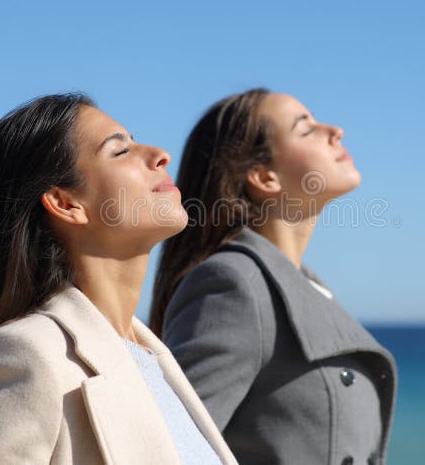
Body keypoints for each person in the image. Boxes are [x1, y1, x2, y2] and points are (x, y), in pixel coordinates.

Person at [0, 93, 237, 465]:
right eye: (119, 151)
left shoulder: (154, 359)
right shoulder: (25, 355)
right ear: (65, 203)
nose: (160, 155)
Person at [150, 88, 397, 465]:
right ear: (264, 177)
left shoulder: (306, 287)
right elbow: (169, 450)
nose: (336, 130)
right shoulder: (235, 284)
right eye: (305, 128)